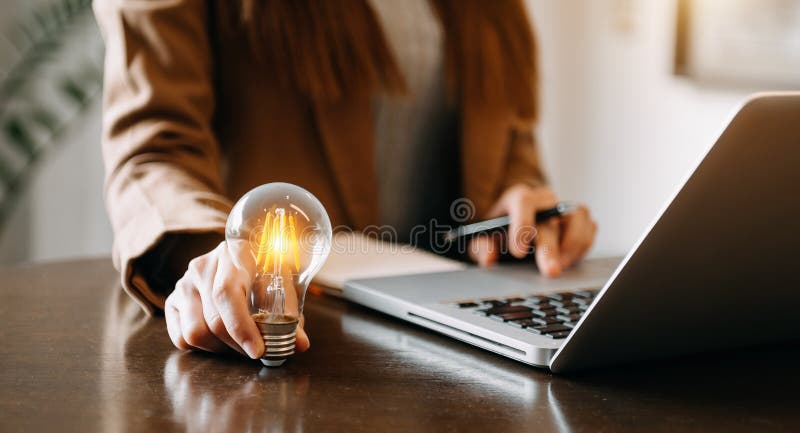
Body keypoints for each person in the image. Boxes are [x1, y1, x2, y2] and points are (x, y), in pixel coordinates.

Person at [94, 0, 597, 361]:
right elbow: (154, 149)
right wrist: (216, 253)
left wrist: (520, 204)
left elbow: (510, 138)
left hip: (454, 346)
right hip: (309, 337)